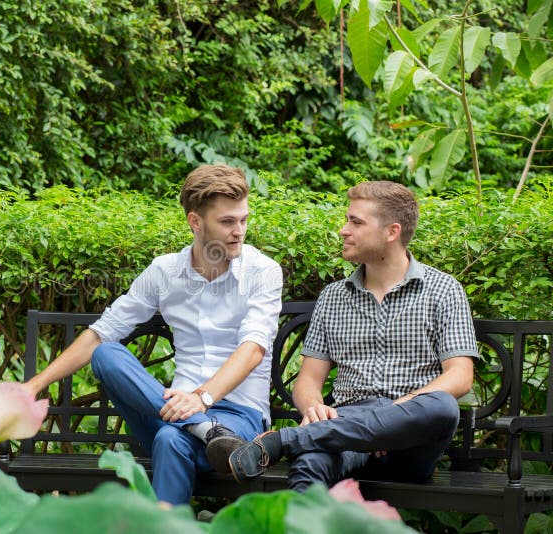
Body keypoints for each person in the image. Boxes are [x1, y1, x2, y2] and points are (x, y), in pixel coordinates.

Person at [24, 164, 283, 505]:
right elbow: (102, 333)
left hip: (238, 417)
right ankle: (203, 429)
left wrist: (200, 399)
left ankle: (198, 438)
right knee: (106, 354)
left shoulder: (263, 272)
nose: (239, 231)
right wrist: (33, 386)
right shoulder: (165, 272)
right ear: (195, 222)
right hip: (171, 409)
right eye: (227, 222)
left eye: (243, 219)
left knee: (169, 441)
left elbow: (253, 349)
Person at [207, 180, 478, 492]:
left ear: (391, 232)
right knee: (309, 463)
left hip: (409, 435)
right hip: (345, 430)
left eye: (356, 222)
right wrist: (312, 407)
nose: (343, 230)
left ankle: (284, 440)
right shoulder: (334, 296)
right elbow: (308, 380)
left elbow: (460, 376)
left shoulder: (442, 290)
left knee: (442, 407)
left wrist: (397, 412)